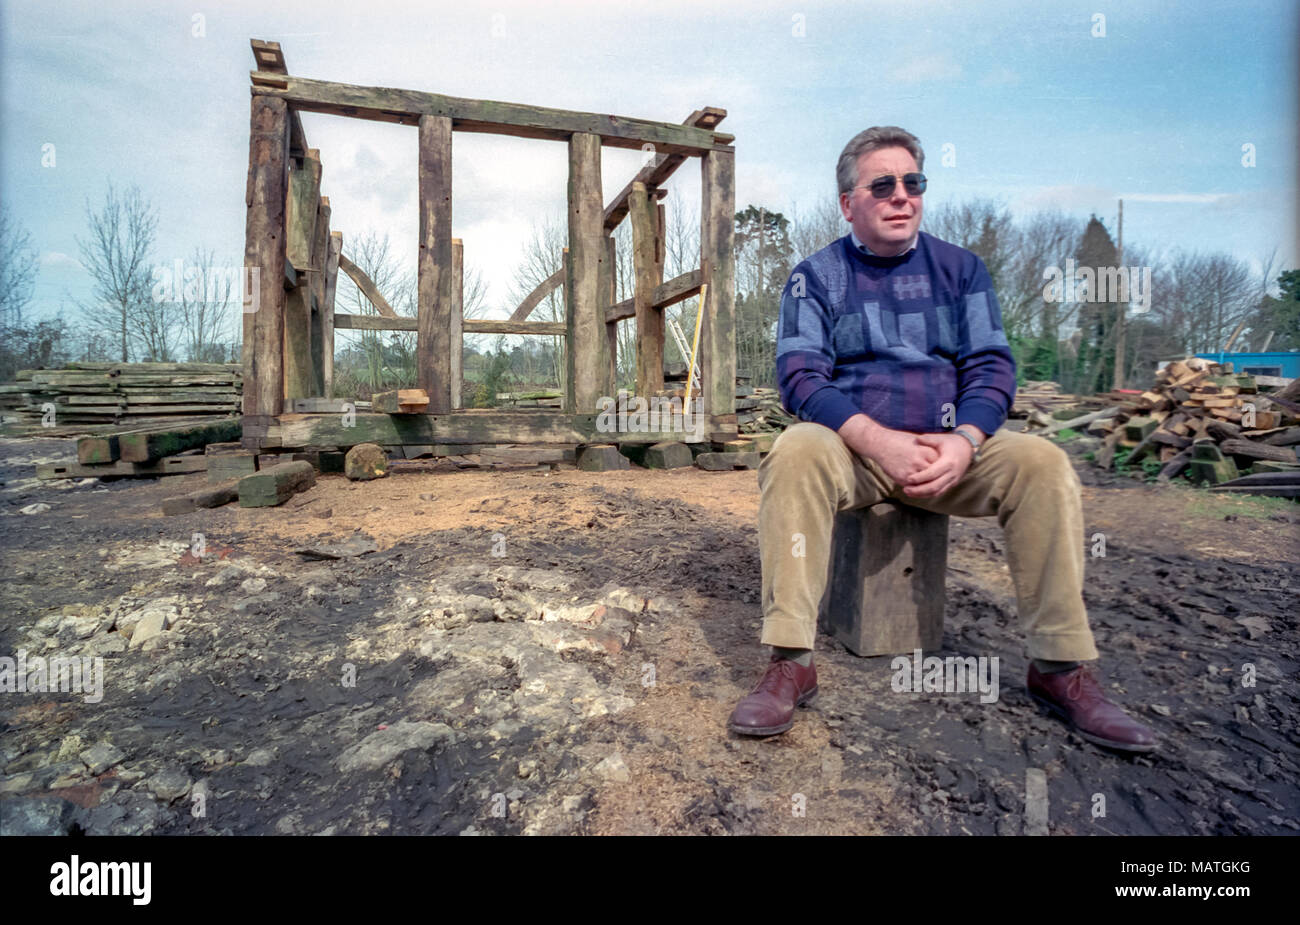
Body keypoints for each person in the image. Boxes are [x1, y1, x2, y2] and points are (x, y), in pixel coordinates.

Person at [726, 126, 1156, 753]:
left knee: (1043, 462)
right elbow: (799, 377)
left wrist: (966, 442)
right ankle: (791, 659)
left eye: (913, 183)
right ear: (848, 203)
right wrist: (876, 441)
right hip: (856, 454)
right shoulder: (814, 277)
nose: (902, 196)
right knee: (795, 449)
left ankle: (1059, 667)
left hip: (949, 448)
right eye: (883, 185)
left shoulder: (962, 270)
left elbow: (991, 366)